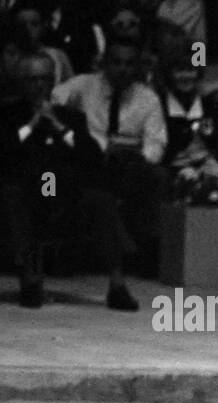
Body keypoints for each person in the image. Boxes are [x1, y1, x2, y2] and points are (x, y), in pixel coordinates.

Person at [1, 51, 138, 311]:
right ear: (20, 82)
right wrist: (31, 125)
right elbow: (5, 152)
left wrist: (60, 129)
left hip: (65, 192)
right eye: (32, 79)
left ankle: (117, 285)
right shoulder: (7, 115)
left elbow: (93, 156)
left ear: (53, 81)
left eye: (44, 79)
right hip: (25, 188)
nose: (39, 85)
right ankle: (31, 278)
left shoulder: (71, 117)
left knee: (100, 199)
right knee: (13, 196)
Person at [53, 37, 168, 278]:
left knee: (155, 175)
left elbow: (156, 144)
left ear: (137, 67)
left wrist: (134, 155)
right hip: (89, 160)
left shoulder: (147, 99)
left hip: (128, 164)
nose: (122, 69)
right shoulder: (83, 86)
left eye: (129, 63)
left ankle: (144, 254)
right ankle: (96, 251)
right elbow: (51, 99)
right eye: (116, 62)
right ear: (104, 63)